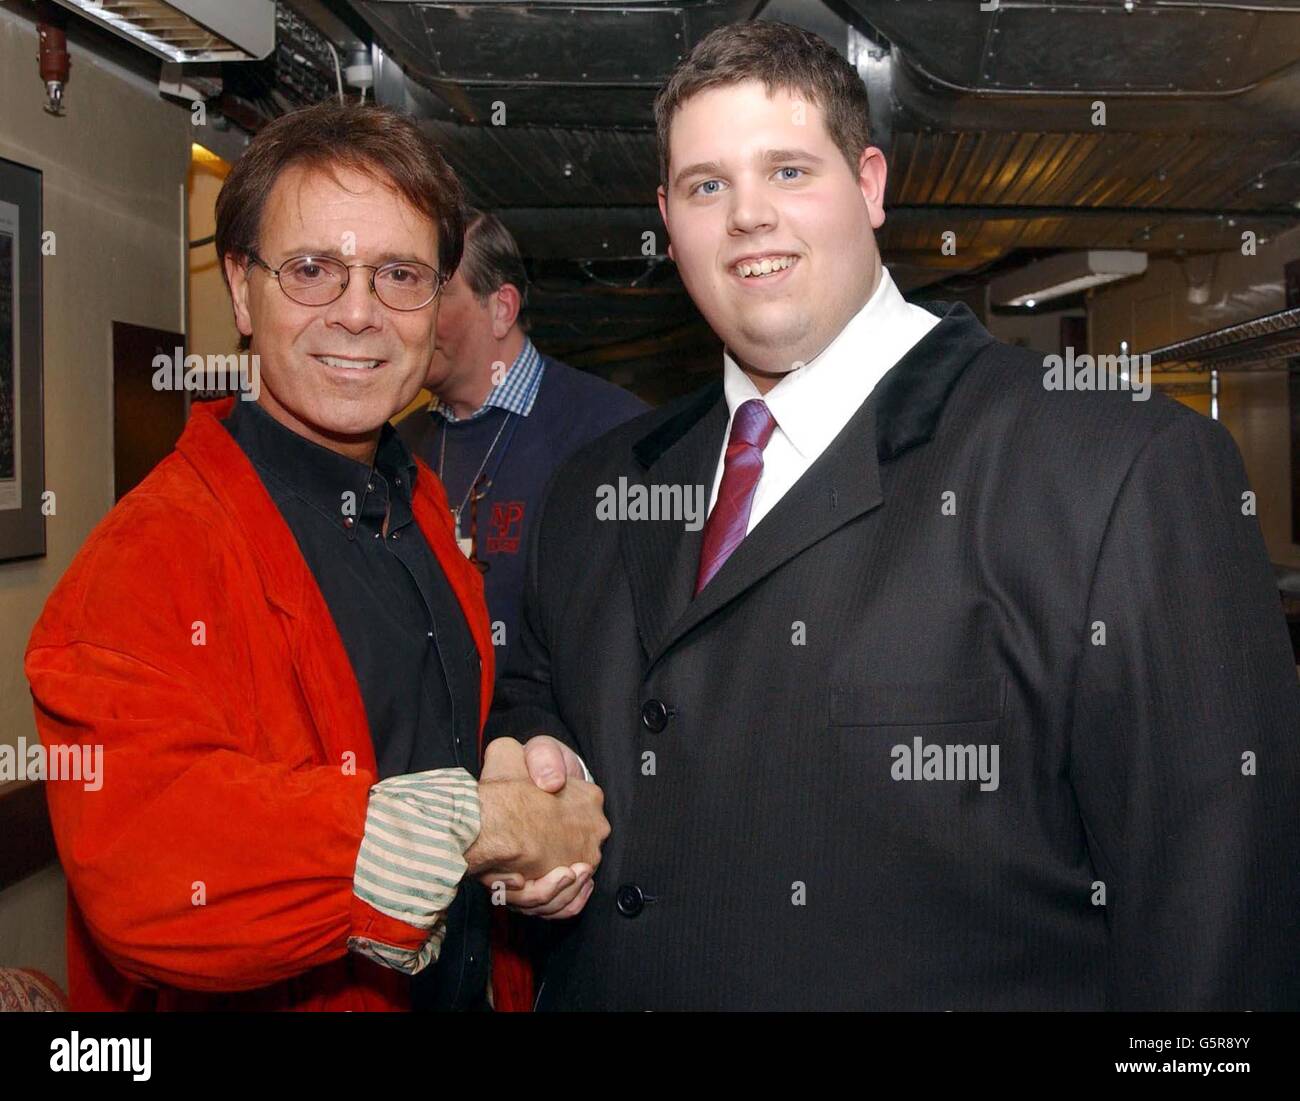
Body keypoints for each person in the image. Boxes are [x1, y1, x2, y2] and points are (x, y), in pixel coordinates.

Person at [490, 21, 1300, 1010]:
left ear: (869, 185)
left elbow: (1216, 916)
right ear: (669, 218)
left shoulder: (1114, 468)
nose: (747, 216)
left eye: (788, 171)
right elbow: (536, 691)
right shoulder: (600, 483)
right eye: (706, 186)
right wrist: (527, 757)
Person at [25, 101, 608, 1012]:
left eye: (400, 275)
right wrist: (486, 826)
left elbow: (437, 731)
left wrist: (512, 764)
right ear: (241, 291)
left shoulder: (413, 497)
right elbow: (148, 863)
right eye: (311, 270)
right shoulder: (148, 559)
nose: (359, 315)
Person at [397, 209, 645, 674]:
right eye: (408, 291)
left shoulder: (614, 432)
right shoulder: (396, 447)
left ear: (502, 310)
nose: (411, 319)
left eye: (437, 294)